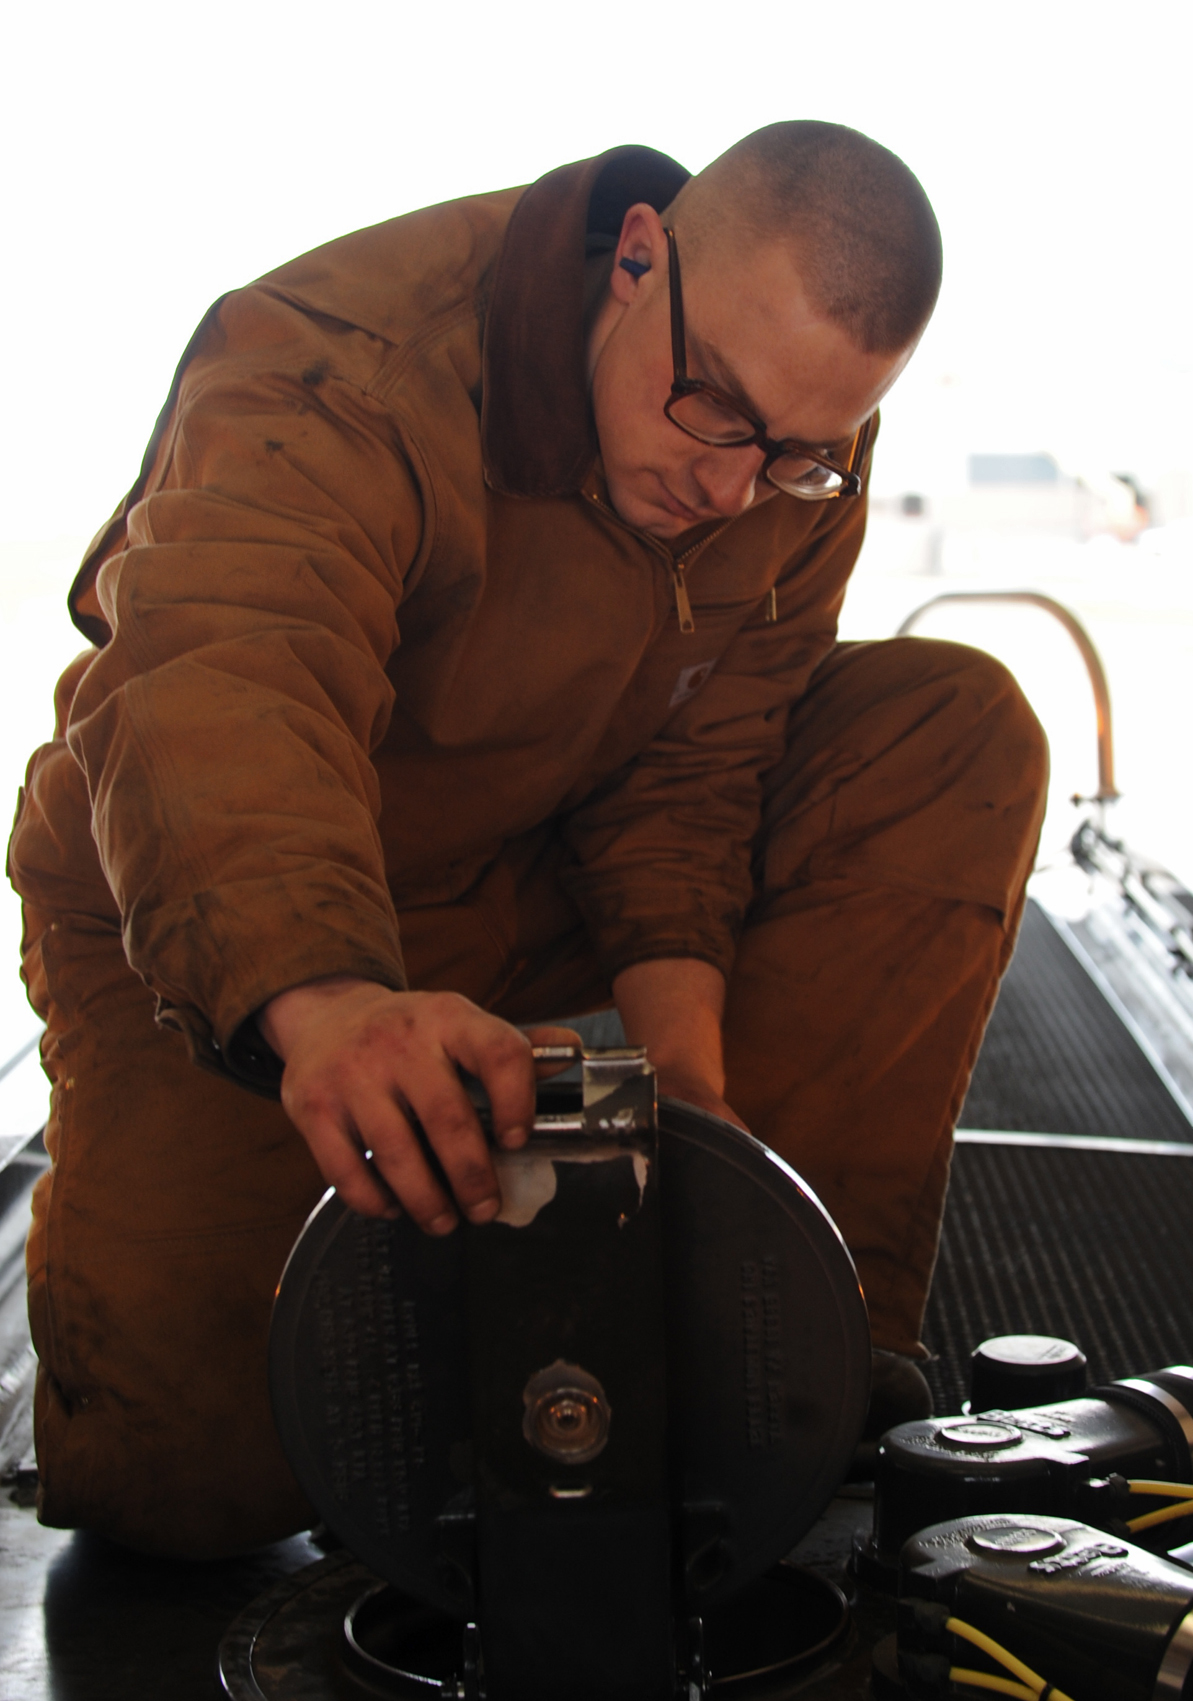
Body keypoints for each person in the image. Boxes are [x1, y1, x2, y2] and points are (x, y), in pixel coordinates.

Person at [8, 122, 1048, 1557]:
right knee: (185, 1498)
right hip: (233, 896)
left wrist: (691, 1097)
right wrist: (331, 1005)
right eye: (714, 411)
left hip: (529, 858)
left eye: (803, 455)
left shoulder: (789, 453)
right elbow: (222, 676)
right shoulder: (340, 363)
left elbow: (697, 765)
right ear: (639, 258)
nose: (736, 491)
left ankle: (798, 1349)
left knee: (950, 728)